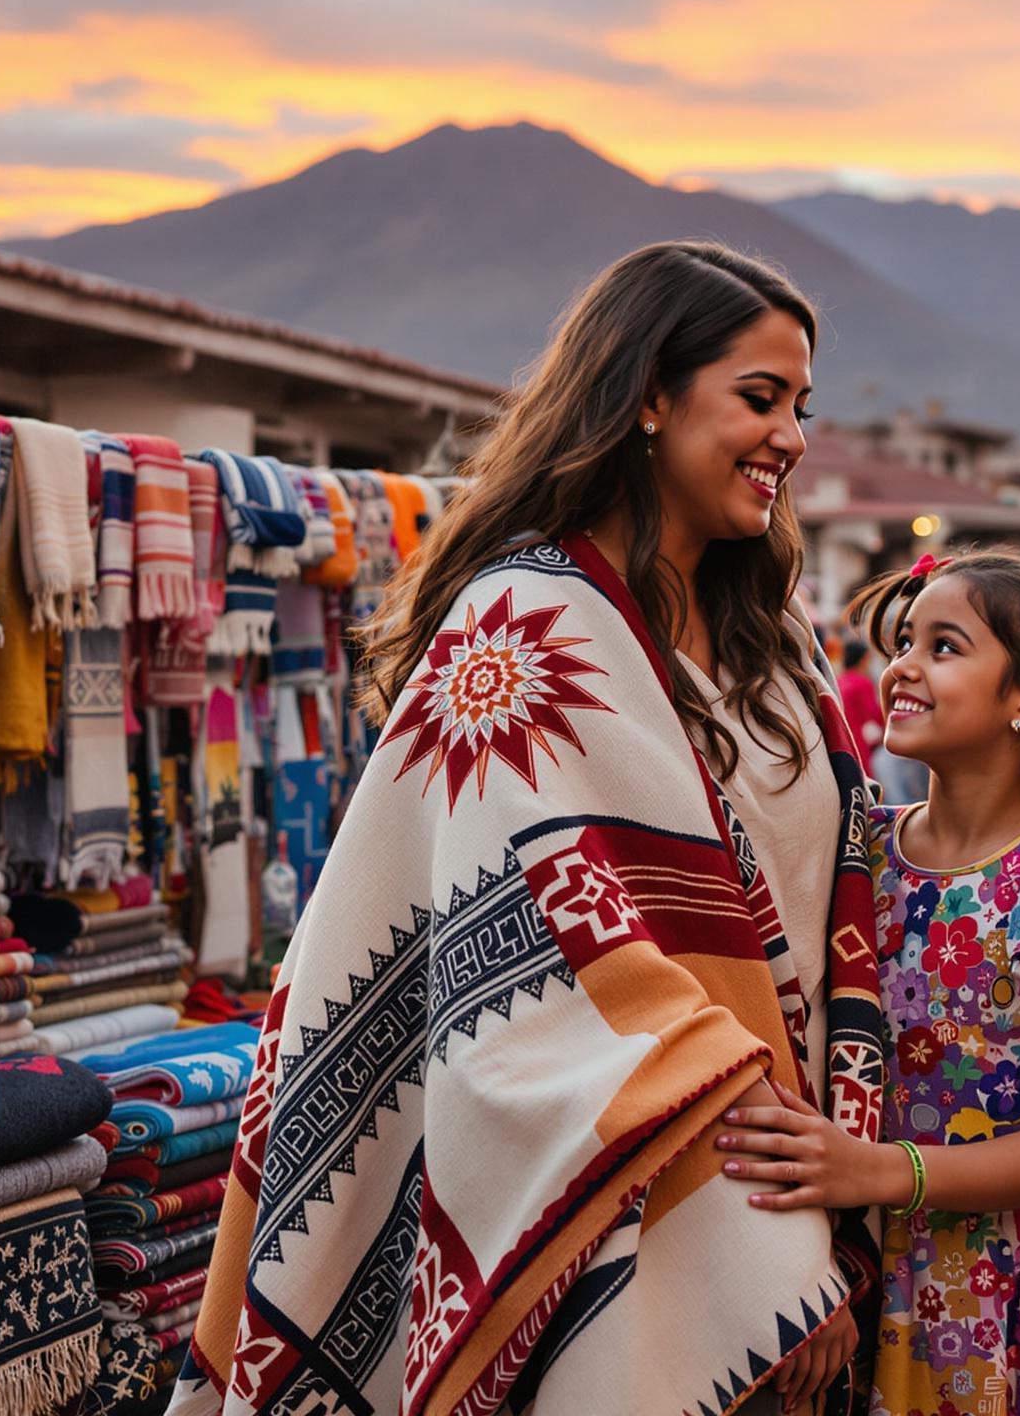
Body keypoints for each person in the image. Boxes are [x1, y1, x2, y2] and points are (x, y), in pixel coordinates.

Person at [175, 241, 884, 1416]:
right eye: (760, 398)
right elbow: (553, 989)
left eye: (801, 407)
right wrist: (779, 1248)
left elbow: (828, 904)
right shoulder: (521, 634)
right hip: (632, 1212)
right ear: (649, 395)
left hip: (791, 1172)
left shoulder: (779, 645)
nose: (792, 437)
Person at [721, 551, 1020, 1415]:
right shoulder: (852, 849)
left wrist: (878, 1171)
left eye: (944, 647)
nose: (902, 666)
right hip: (851, 1259)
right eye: (905, 642)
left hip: (1007, 1297)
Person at [836, 635, 886, 779]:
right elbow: (874, 714)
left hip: (842, 740)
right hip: (858, 742)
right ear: (864, 659)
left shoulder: (839, 680)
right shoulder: (862, 682)